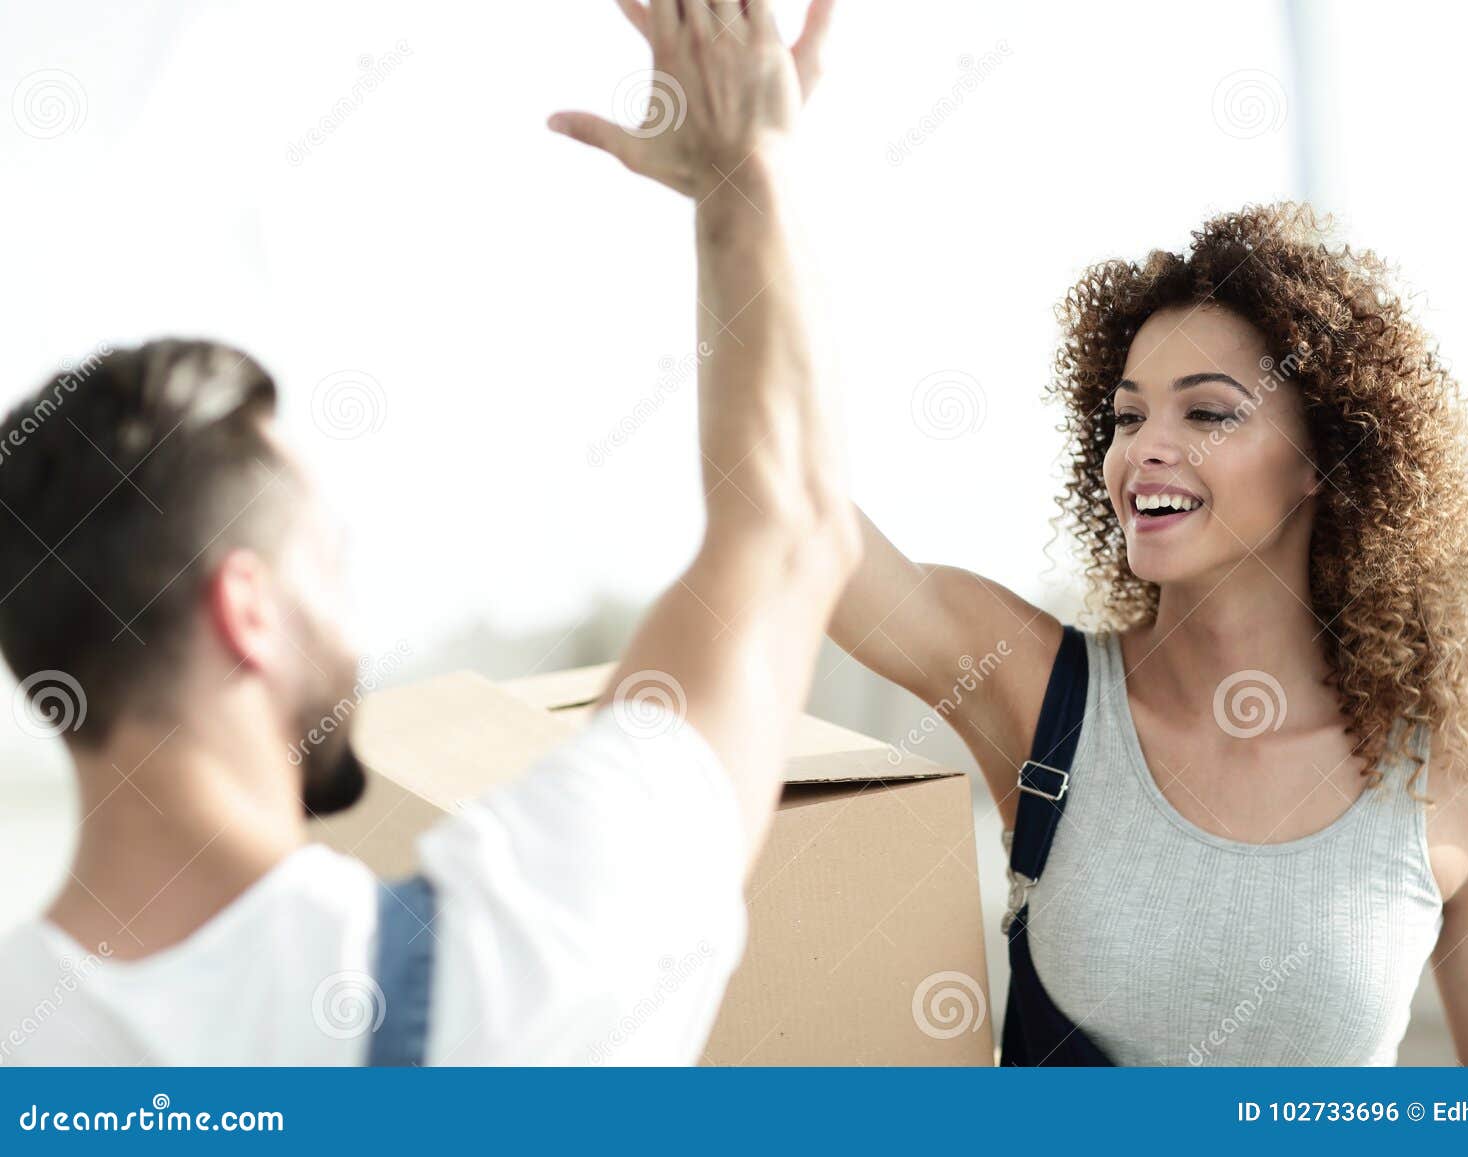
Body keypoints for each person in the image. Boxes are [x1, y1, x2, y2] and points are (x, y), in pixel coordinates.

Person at [0, 0, 855, 1065]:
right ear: (248, 608)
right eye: (330, 555)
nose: (358, 606)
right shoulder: (499, 974)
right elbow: (786, 536)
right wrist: (744, 173)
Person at [829, 203, 1468, 1065]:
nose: (1145, 450)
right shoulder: (1034, 688)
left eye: (1207, 414)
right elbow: (793, 528)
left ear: (1325, 457)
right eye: (1128, 417)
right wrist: (739, 204)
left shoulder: (1467, 761)